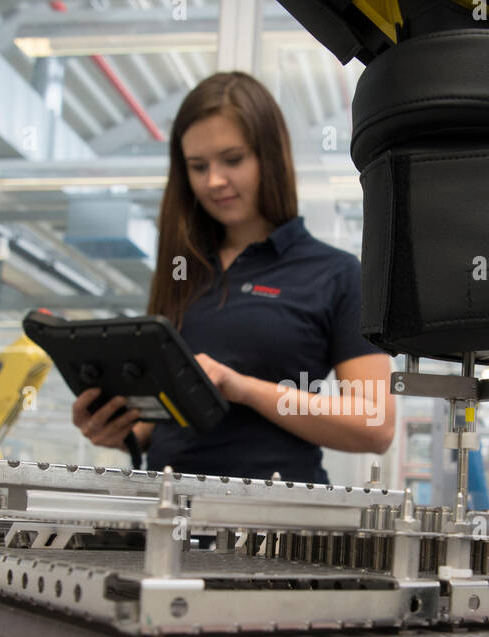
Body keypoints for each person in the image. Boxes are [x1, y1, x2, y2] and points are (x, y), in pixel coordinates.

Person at [71, 72, 394, 483]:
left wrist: (243, 388)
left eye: (232, 160)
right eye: (198, 166)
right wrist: (117, 428)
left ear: (270, 157)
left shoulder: (335, 273)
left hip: (275, 523)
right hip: (168, 509)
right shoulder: (182, 270)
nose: (214, 181)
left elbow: (375, 423)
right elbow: (156, 425)